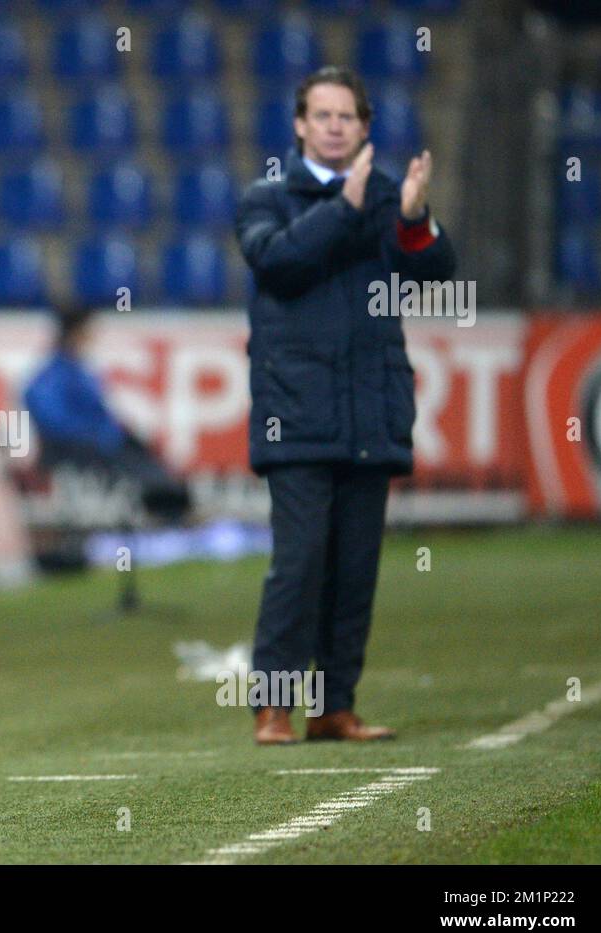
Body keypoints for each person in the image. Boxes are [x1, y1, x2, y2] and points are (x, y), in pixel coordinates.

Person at [234, 66, 455, 744]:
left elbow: (436, 273)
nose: (334, 127)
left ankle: (334, 706)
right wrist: (345, 208)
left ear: (364, 127)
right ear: (300, 125)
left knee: (354, 568)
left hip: (369, 408)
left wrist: (415, 219)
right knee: (299, 562)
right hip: (296, 412)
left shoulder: (389, 196)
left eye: (347, 117)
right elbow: (278, 264)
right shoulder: (267, 197)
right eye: (322, 115)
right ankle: (273, 706)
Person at [24, 306, 190, 523]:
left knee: (145, 454)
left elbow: (101, 415)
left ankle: (168, 507)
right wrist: (100, 434)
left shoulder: (80, 372)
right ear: (74, 333)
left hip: (101, 444)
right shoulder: (49, 378)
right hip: (76, 449)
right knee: (140, 470)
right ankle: (164, 511)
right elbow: (54, 423)